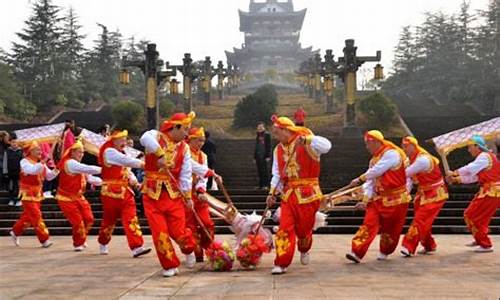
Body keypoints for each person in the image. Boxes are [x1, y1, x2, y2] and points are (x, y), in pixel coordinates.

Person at [266, 115, 331, 275]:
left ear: (286, 130)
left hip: (309, 193)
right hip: (288, 195)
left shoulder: (306, 138)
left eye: (276, 133)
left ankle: (304, 248)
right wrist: (272, 192)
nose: (275, 137)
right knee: (284, 228)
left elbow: (327, 146)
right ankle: (281, 262)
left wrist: (308, 140)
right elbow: (276, 173)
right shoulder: (278, 149)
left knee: (304, 230)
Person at [140, 112, 198, 277]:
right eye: (185, 129)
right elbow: (144, 138)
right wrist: (160, 154)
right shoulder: (155, 136)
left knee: (179, 231)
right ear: (176, 127)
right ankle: (169, 264)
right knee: (160, 232)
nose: (187, 134)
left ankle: (188, 249)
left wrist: (187, 196)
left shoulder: (184, 148)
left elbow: (186, 173)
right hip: (152, 194)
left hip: (173, 194)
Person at [346, 130, 411, 263]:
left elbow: (378, 170)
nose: (367, 147)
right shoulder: (373, 160)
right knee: (368, 225)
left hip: (397, 200)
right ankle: (357, 251)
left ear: (375, 142)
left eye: (368, 144)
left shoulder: (391, 153)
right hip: (378, 199)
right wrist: (364, 200)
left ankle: (385, 251)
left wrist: (360, 178)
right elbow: (371, 182)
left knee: (392, 230)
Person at [97, 130, 151, 258]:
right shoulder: (109, 152)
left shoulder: (120, 152)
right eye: (121, 140)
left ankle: (137, 246)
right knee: (109, 221)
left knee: (131, 218)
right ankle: (103, 241)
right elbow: (126, 161)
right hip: (111, 193)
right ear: (113, 141)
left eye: (125, 140)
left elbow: (126, 169)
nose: (124, 143)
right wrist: (145, 164)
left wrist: (133, 179)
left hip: (126, 192)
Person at [447, 135, 500, 253]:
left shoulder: (484, 156)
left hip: (491, 192)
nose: (469, 149)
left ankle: (485, 244)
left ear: (477, 146)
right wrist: (456, 179)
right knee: (477, 217)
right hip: (488, 192)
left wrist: (454, 173)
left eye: (470, 146)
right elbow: (473, 177)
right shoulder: (484, 158)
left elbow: (470, 169)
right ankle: (479, 238)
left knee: (471, 215)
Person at [400, 136, 448, 257]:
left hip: (436, 193)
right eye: (403, 146)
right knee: (422, 220)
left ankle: (408, 246)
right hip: (423, 193)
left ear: (413, 146)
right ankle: (429, 245)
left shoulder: (423, 160)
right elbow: (409, 179)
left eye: (406, 146)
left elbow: (405, 174)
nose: (403, 148)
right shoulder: (410, 160)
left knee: (420, 220)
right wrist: (405, 193)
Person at [9, 141, 59, 248]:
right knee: (36, 216)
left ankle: (15, 232)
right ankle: (44, 240)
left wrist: (57, 168)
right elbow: (32, 170)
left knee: (27, 218)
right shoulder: (24, 161)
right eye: (37, 149)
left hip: (37, 194)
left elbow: (49, 176)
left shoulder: (40, 163)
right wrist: (44, 162)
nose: (40, 151)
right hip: (27, 194)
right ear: (30, 151)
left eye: (40, 149)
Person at [56, 141, 102, 251]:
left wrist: (106, 182)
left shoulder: (78, 166)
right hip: (66, 198)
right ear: (72, 153)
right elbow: (87, 168)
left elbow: (90, 178)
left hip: (79, 197)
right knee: (77, 222)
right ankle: (78, 243)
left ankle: (81, 237)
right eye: (78, 152)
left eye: (82, 152)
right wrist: (105, 169)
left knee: (89, 219)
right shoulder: (70, 163)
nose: (81, 154)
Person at [186, 127, 220, 262]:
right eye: (198, 140)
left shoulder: (203, 156)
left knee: (207, 223)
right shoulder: (184, 152)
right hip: (185, 193)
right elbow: (193, 169)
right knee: (190, 226)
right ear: (191, 139)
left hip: (198, 194)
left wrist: (201, 189)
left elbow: (203, 176)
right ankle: (196, 253)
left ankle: (208, 248)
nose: (201, 143)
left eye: (203, 141)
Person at [6, 134, 22, 206]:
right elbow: (5, 162)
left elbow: (23, 162)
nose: (14, 144)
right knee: (11, 187)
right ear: (10, 143)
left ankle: (19, 200)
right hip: (10, 172)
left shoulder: (21, 151)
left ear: (18, 143)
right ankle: (11, 199)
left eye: (15, 142)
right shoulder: (7, 151)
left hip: (19, 172)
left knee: (19, 186)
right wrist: (5, 171)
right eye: (12, 142)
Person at [254, 122, 272, 190]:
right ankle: (261, 185)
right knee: (259, 171)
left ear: (264, 127)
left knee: (265, 171)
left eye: (261, 127)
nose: (260, 128)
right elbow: (256, 146)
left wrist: (268, 156)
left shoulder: (267, 135)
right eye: (258, 127)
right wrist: (255, 156)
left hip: (264, 156)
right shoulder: (258, 135)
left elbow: (268, 146)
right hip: (258, 156)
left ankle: (266, 185)